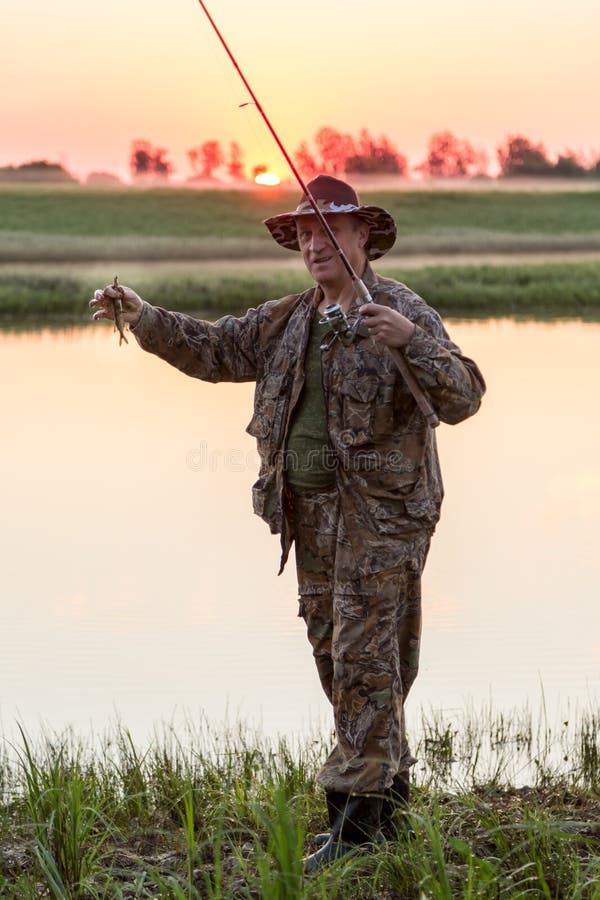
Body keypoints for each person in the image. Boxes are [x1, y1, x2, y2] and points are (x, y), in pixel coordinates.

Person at [90, 175, 485, 869]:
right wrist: (142, 314)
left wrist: (411, 341)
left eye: (328, 231)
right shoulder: (289, 319)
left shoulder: (400, 310)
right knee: (342, 663)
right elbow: (214, 350)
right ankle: (386, 809)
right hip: (310, 523)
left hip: (382, 523)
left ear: (364, 237)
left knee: (366, 664)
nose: (313, 244)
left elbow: (463, 397)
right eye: (303, 233)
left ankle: (356, 829)